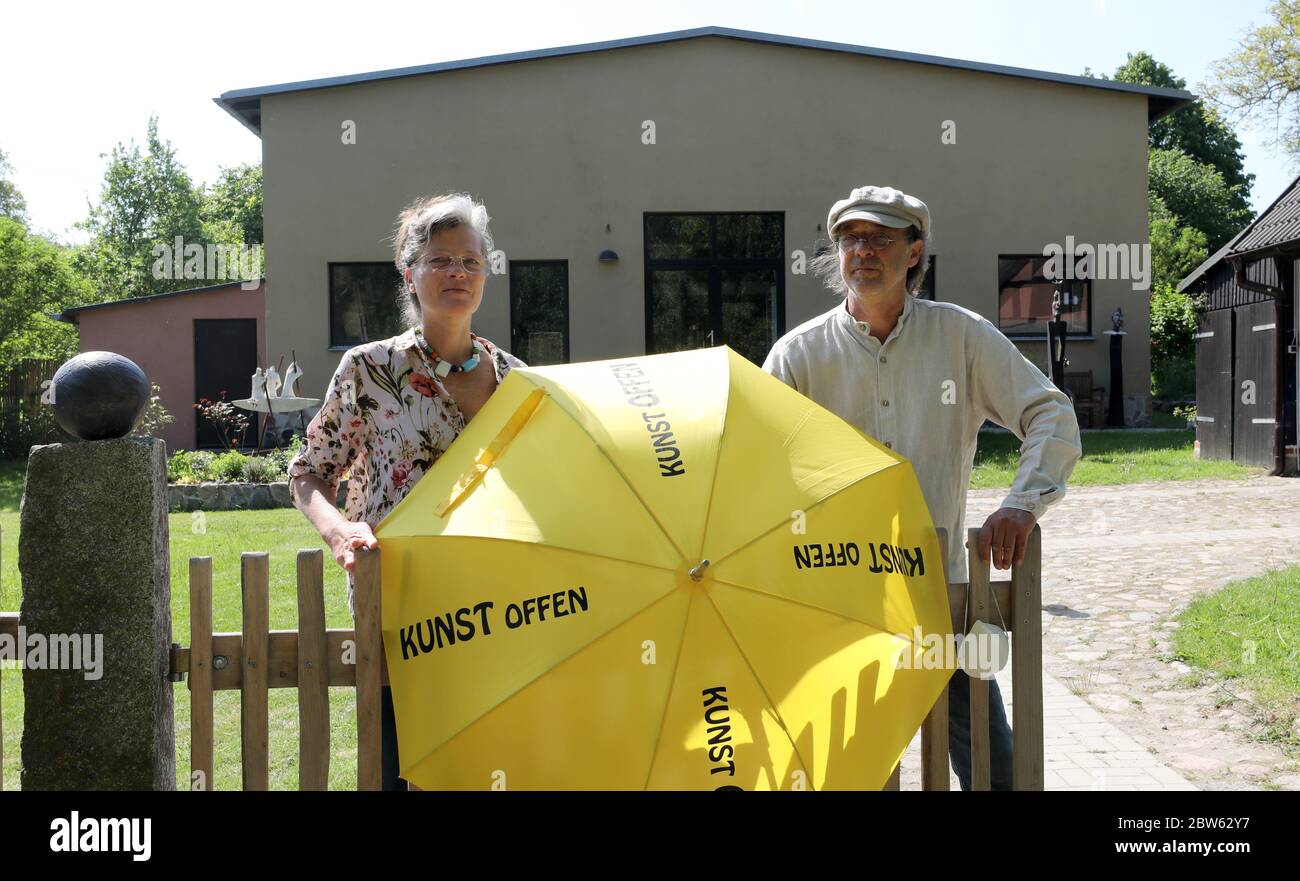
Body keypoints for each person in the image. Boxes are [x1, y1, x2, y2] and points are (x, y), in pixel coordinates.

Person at [761, 185, 1081, 790]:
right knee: (856, 772)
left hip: (945, 596)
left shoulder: (960, 337)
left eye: (881, 239)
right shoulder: (798, 356)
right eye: (851, 239)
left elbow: (1051, 415)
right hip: (838, 602)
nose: (863, 251)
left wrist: (1021, 505)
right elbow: (756, 468)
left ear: (914, 253)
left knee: (994, 768)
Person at [288, 192, 525, 790]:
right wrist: (340, 530)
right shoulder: (370, 370)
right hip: (399, 603)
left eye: (471, 262)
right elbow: (308, 472)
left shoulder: (517, 381)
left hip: (499, 606)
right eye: (441, 259)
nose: (458, 273)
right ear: (410, 270)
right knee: (404, 768)